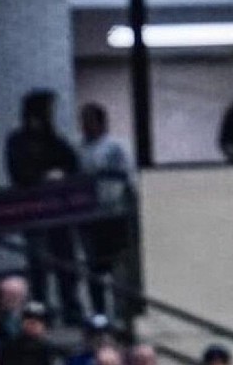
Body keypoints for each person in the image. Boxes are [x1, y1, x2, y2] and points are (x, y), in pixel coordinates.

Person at [5, 90, 81, 325]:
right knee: (38, 264)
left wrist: (61, 174)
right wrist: (43, 177)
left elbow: (73, 163)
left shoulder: (53, 139)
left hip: (59, 213)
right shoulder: (18, 141)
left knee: (66, 263)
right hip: (34, 211)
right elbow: (18, 173)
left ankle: (71, 309)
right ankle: (40, 311)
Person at [77, 105, 135, 318]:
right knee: (94, 267)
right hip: (90, 217)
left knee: (119, 266)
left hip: (115, 215)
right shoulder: (79, 149)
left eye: (89, 121)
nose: (85, 126)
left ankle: (123, 312)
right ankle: (98, 313)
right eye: (82, 121)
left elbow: (129, 178)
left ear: (101, 123)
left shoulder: (117, 146)